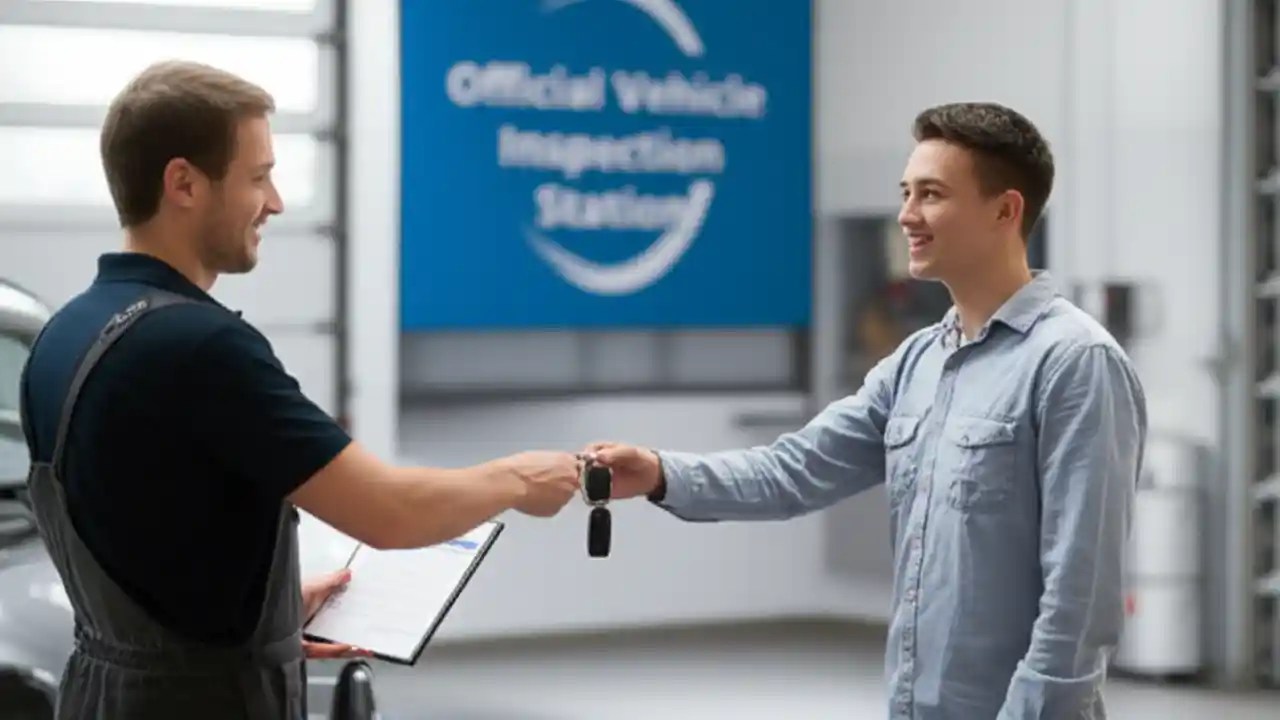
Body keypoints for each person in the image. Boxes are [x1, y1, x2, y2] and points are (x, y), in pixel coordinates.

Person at [19, 60, 582, 719]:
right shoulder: (203, 348)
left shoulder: (60, 337)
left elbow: (148, 538)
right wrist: (517, 478)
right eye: (258, 176)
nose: (277, 202)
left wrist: (269, 621)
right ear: (184, 183)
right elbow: (390, 511)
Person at [586, 102, 1148, 719]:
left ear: (1005, 210)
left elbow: (1081, 591)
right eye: (906, 193)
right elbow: (792, 471)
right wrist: (661, 473)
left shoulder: (1074, 362)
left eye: (931, 195)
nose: (907, 215)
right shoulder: (918, 363)